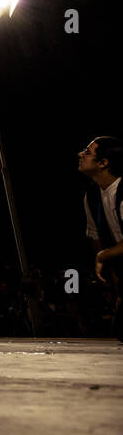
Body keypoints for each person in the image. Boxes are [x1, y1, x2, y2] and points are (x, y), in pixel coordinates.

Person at [78, 136, 123, 340]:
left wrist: (103, 256)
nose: (80, 154)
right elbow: (96, 237)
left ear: (104, 162)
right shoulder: (92, 195)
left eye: (87, 152)